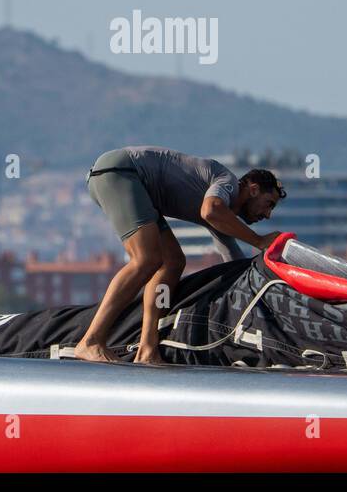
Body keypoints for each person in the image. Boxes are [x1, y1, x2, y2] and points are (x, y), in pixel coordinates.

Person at [75, 146, 285, 365]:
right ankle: (91, 341)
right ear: (253, 189)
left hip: (136, 187)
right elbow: (210, 211)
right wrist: (259, 241)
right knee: (146, 259)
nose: (268, 214)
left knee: (173, 262)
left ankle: (147, 349)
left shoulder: (225, 214)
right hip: (119, 172)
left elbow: (234, 263)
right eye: (269, 204)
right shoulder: (228, 183)